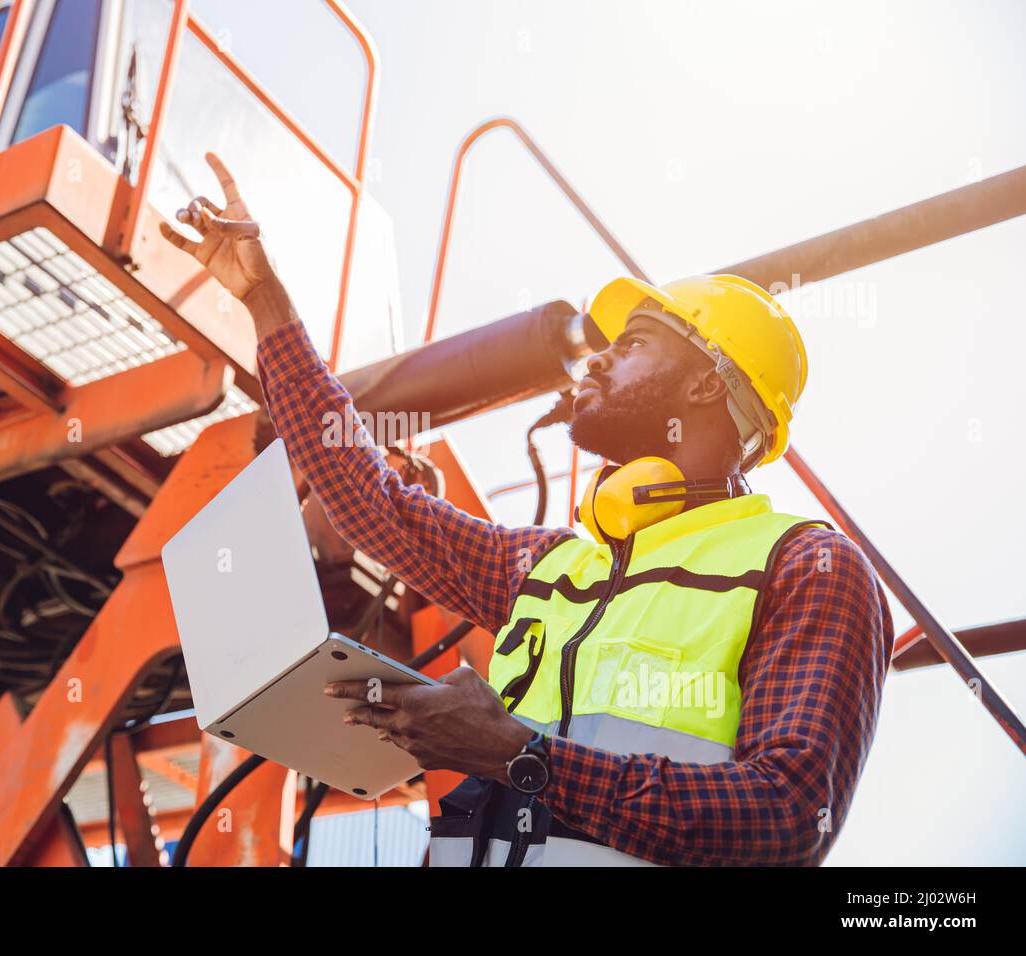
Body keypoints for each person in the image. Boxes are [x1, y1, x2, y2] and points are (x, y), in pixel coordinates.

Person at [160, 153, 894, 867]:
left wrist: (518, 756)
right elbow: (366, 497)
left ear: (708, 386)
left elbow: (787, 818)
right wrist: (264, 301)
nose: (597, 360)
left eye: (634, 344)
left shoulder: (806, 566)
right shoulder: (550, 566)